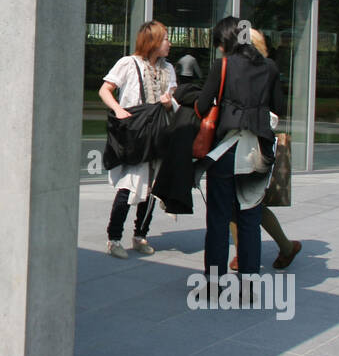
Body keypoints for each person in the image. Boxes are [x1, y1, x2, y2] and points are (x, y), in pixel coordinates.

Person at [194, 17, 286, 281]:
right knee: (249, 220)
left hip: (225, 151)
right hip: (258, 152)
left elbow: (202, 106)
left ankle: (214, 283)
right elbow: (280, 107)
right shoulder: (269, 67)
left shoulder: (223, 66)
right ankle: (248, 285)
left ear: (227, 41)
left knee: (219, 221)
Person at [99, 21, 180, 258]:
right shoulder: (128, 63)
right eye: (166, 38)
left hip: (159, 134)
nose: (169, 43)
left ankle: (140, 235)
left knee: (153, 188)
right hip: (136, 133)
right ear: (153, 41)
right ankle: (114, 239)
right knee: (129, 185)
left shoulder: (168, 69)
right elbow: (105, 89)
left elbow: (173, 99)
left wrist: (169, 103)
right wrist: (118, 109)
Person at [228, 28, 301, 271]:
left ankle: (253, 253)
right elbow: (279, 105)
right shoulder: (266, 67)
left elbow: (276, 107)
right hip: (250, 142)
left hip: (252, 144)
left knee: (243, 202)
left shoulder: (254, 68)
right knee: (244, 201)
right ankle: (285, 248)